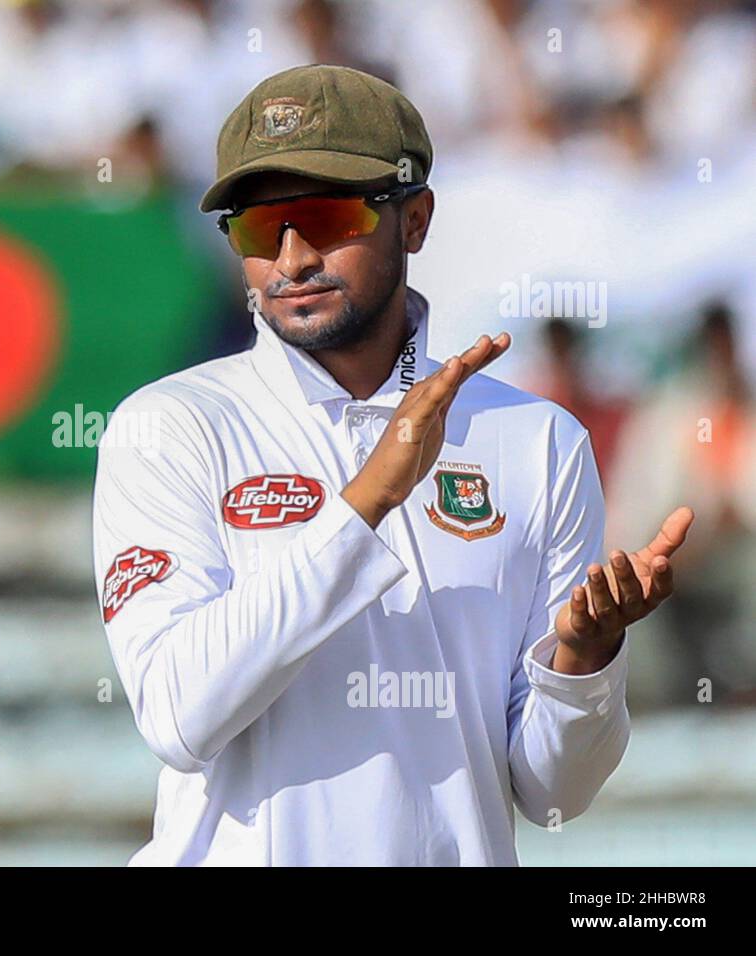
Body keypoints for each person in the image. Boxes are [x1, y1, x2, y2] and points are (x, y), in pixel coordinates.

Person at [92, 64, 692, 866]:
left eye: (325, 216)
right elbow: (178, 715)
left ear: (415, 219)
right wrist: (370, 498)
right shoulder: (169, 426)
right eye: (256, 228)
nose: (292, 258)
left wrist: (583, 661)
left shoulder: (537, 440)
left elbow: (554, 794)